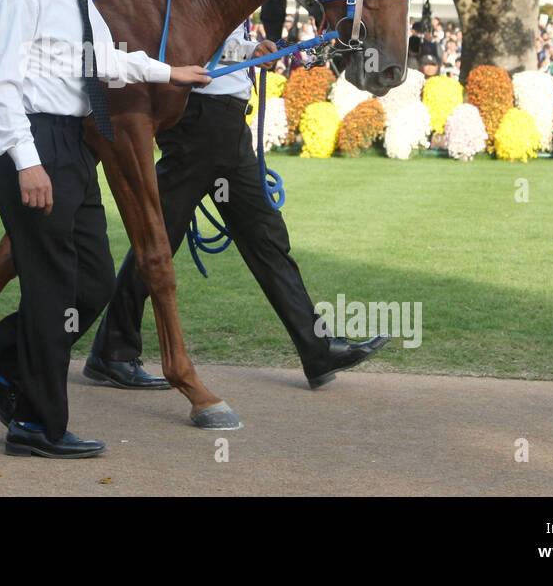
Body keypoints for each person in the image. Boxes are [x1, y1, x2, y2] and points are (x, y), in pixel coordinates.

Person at [0, 0, 210, 459]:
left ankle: (1, 363)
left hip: (72, 145)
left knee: (94, 281)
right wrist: (28, 164)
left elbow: (102, 60)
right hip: (34, 145)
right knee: (52, 293)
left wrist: (170, 73)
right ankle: (36, 427)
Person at [84, 22, 388, 393]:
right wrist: (247, 52)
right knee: (160, 240)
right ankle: (112, 350)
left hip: (226, 127)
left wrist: (253, 49)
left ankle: (318, 349)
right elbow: (196, 41)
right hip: (200, 120)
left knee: (263, 236)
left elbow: (225, 42)